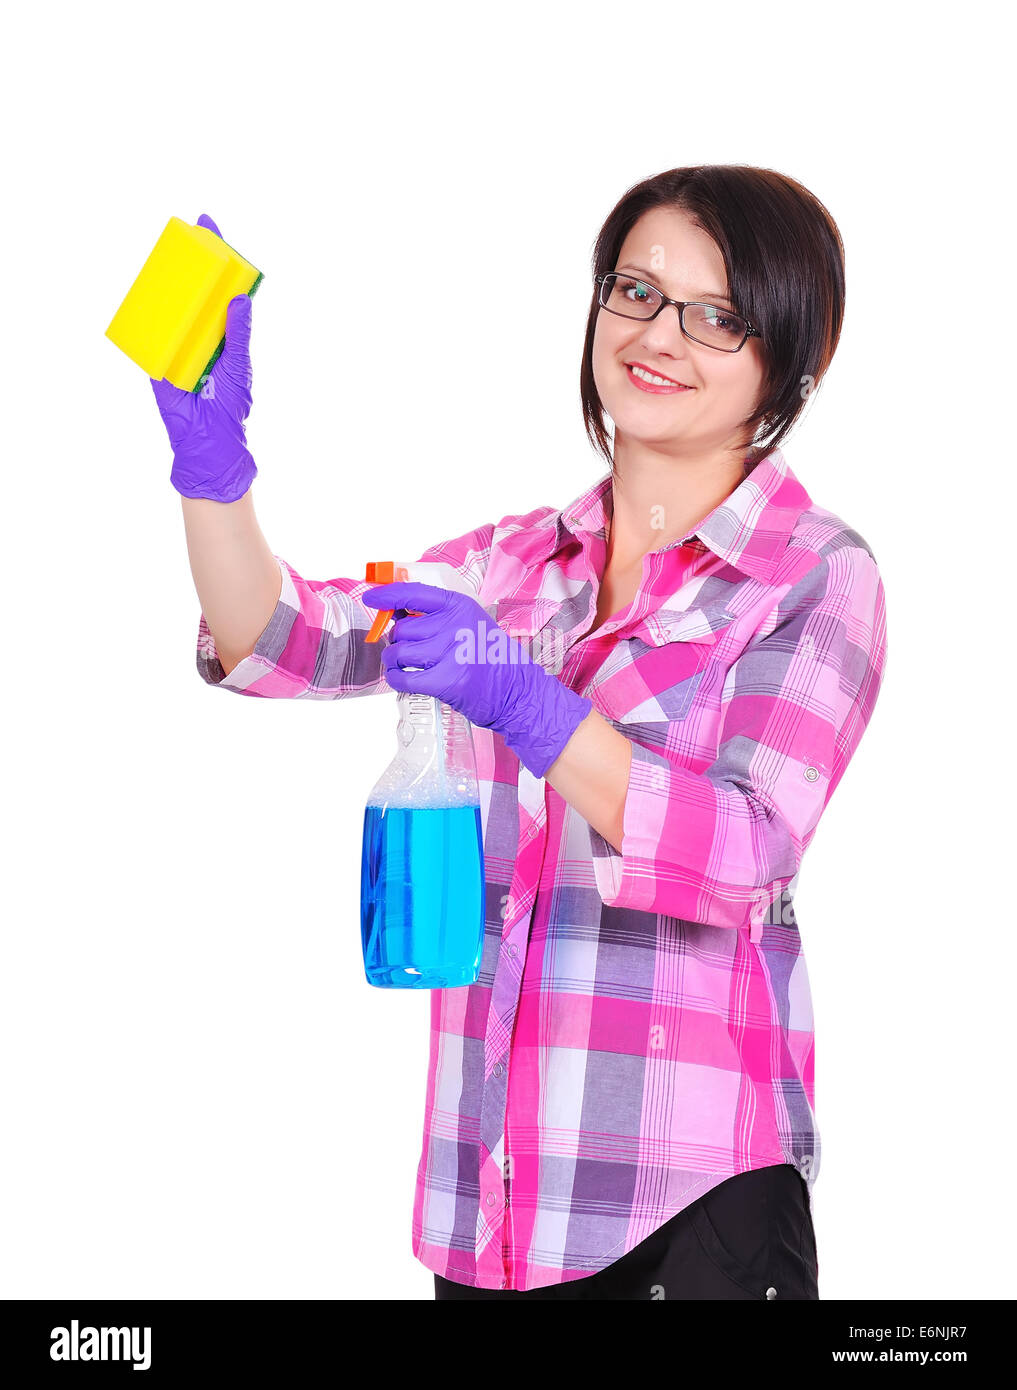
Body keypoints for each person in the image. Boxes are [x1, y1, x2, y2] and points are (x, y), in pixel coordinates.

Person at [155, 165, 888, 1300]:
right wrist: (213, 473)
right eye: (634, 291)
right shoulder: (514, 566)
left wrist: (537, 708)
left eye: (719, 314)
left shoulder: (812, 576)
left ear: (788, 360)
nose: (659, 334)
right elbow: (284, 642)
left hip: (687, 1216)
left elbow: (743, 852)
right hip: (487, 1215)